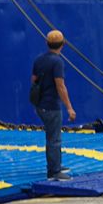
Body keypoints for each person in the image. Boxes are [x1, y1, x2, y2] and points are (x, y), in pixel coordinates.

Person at [31, 30, 77, 181]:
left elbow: (34, 80)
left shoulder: (39, 60)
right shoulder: (58, 62)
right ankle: (54, 171)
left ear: (47, 43)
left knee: (51, 136)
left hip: (40, 105)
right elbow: (60, 86)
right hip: (51, 105)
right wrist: (69, 107)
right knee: (54, 139)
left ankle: (55, 165)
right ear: (63, 44)